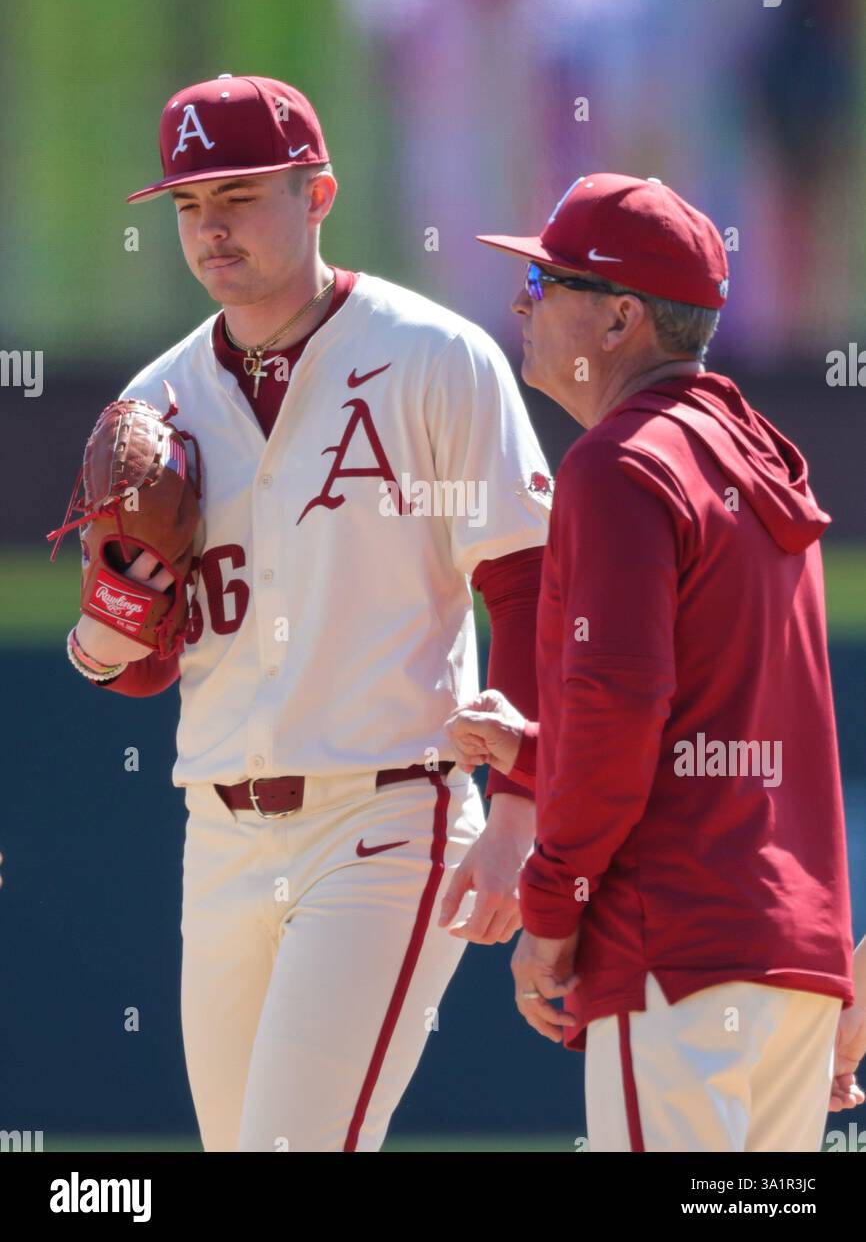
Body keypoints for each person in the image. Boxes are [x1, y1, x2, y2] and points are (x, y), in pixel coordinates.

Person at [65, 74, 551, 1152]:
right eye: (189, 204)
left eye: (238, 193)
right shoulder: (157, 404)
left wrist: (518, 808)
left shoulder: (434, 356)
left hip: (384, 812)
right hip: (221, 831)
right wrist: (109, 635)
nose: (211, 227)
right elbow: (141, 663)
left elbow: (525, 588)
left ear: (318, 191)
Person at [446, 172, 855, 1151]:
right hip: (792, 964)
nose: (519, 305)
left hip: (672, 943)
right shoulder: (751, 458)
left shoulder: (622, 463)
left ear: (620, 316)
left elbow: (621, 712)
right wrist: (543, 751)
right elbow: (701, 722)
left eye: (547, 285)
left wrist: (550, 903)